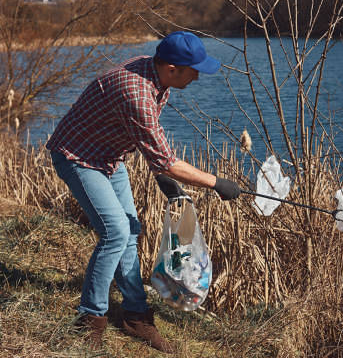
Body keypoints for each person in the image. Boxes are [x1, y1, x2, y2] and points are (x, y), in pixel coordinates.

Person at [46, 31, 241, 353]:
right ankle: (90, 318)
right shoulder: (136, 92)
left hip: (110, 157)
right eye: (194, 70)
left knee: (130, 231)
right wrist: (215, 182)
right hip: (78, 157)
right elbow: (165, 157)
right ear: (173, 68)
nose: (198, 77)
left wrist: (160, 171)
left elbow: (143, 138)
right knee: (115, 233)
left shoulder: (155, 76)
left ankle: (135, 315)